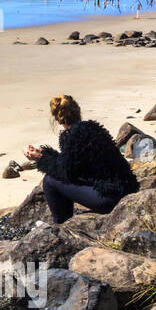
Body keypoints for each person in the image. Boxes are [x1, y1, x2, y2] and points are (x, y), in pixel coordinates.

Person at [23, 95, 138, 223]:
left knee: (49, 181)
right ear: (78, 111)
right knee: (55, 176)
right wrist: (44, 154)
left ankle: (61, 226)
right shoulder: (93, 129)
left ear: (58, 119)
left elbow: (65, 172)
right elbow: (71, 163)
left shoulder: (74, 136)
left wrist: (40, 158)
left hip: (110, 197)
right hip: (126, 189)